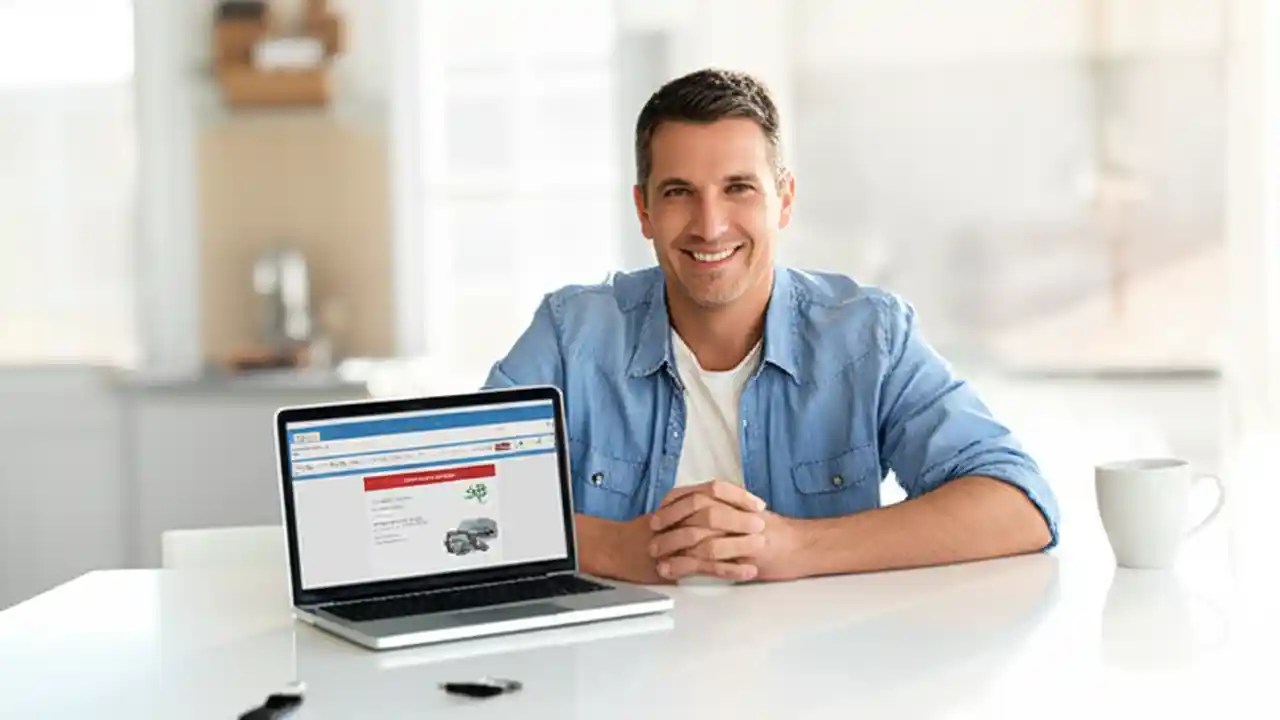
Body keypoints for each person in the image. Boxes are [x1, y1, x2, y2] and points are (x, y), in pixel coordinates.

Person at [485, 68, 1058, 584]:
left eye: (738, 188)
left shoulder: (868, 337)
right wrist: (616, 548)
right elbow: (456, 498)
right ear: (644, 211)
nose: (710, 227)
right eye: (679, 192)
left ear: (783, 200)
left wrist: (795, 546)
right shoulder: (571, 334)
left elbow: (1018, 505)